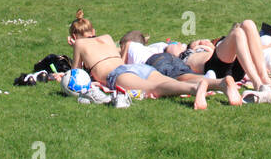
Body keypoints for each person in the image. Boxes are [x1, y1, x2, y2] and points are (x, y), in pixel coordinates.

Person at [66, 11, 242, 107]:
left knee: (157, 88)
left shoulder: (79, 45)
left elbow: (76, 74)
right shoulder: (105, 37)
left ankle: (196, 88)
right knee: (165, 81)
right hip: (139, 67)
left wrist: (73, 47)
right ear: (92, 30)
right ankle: (220, 83)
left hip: (117, 74)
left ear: (74, 36)